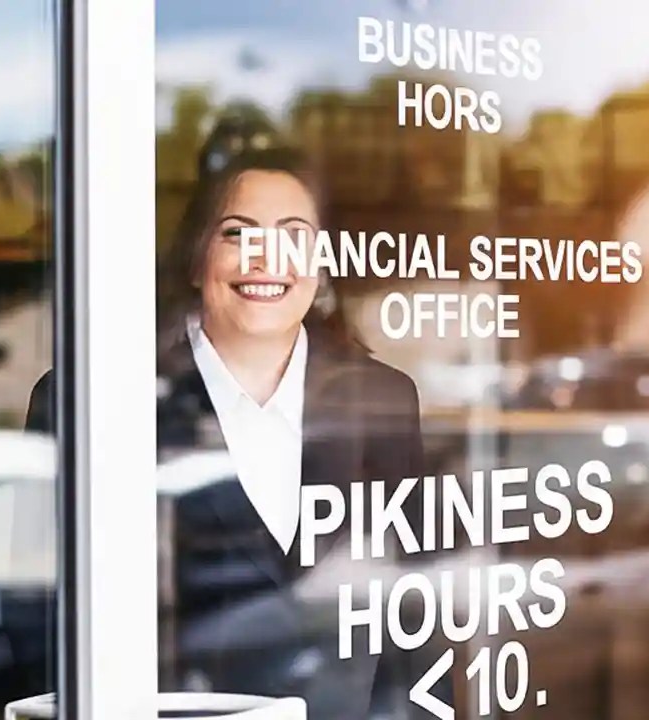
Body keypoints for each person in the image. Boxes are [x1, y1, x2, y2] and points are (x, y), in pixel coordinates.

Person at [26, 146, 432, 718]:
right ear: (195, 260)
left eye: (293, 234)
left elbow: (412, 609)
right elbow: (36, 612)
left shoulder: (384, 398)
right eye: (238, 233)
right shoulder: (87, 400)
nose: (267, 258)